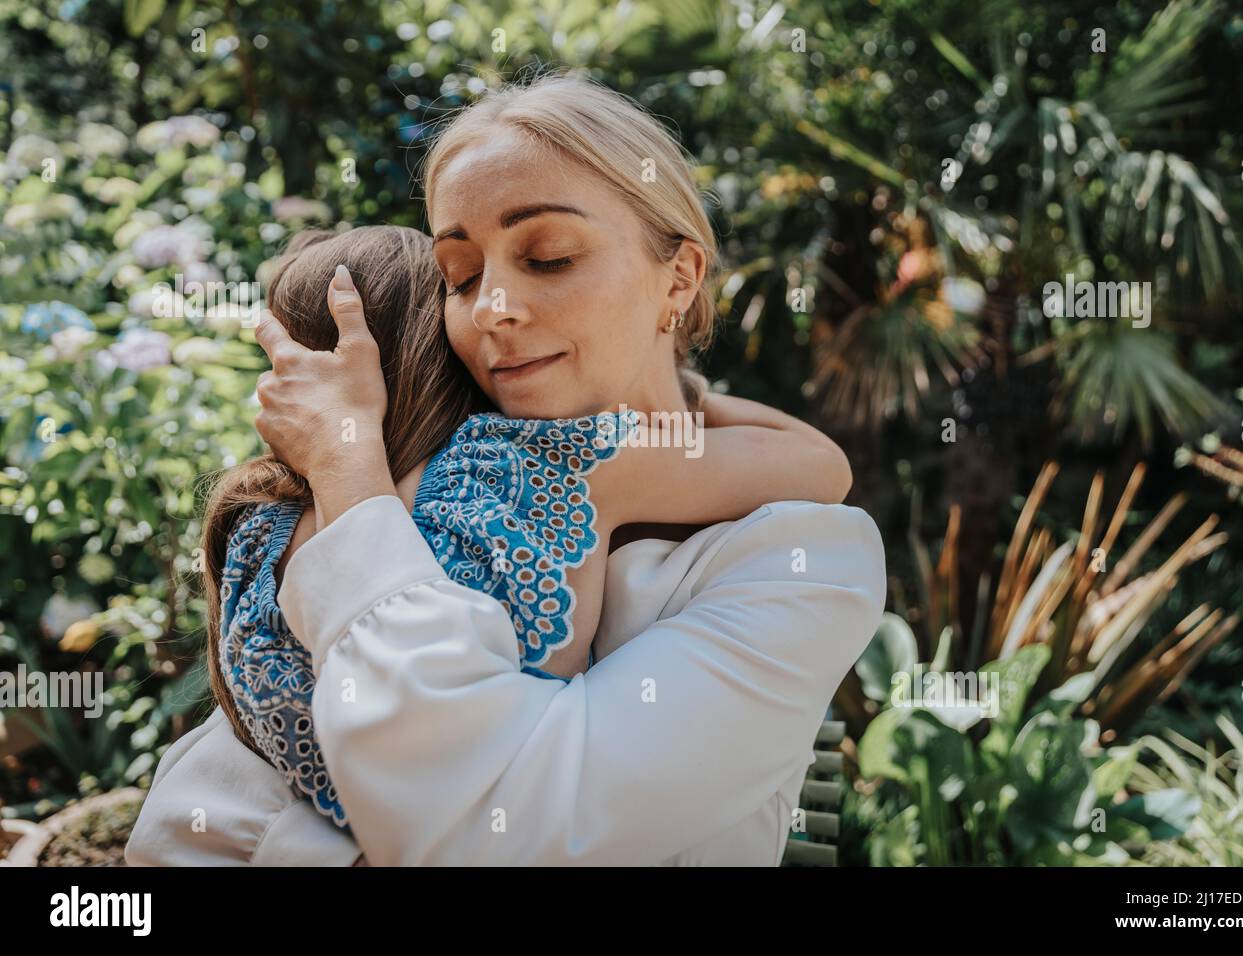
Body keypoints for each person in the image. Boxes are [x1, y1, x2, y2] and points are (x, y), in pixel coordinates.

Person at [125, 70, 886, 866]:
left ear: (681, 276)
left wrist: (350, 470)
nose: (492, 308)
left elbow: (497, 833)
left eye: (549, 256)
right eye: (459, 276)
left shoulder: (802, 561)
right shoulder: (430, 475)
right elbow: (191, 807)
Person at [203, 224, 856, 831]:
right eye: (462, 289)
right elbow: (820, 465)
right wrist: (674, 388)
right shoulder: (530, 461)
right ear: (441, 342)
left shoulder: (252, 533)